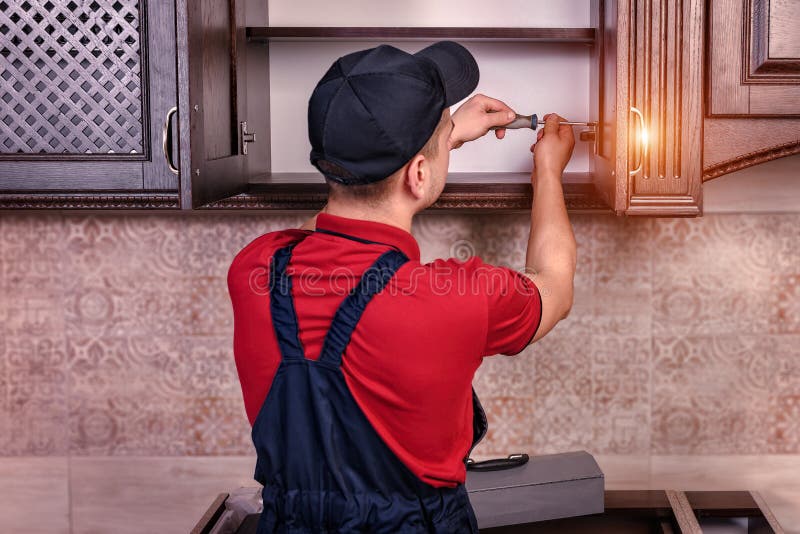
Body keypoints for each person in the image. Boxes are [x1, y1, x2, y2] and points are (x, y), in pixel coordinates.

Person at [227, 41, 577, 533]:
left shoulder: (255, 269)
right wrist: (548, 170)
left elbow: (336, 227)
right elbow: (556, 286)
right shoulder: (459, 298)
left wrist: (429, 150)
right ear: (417, 173)